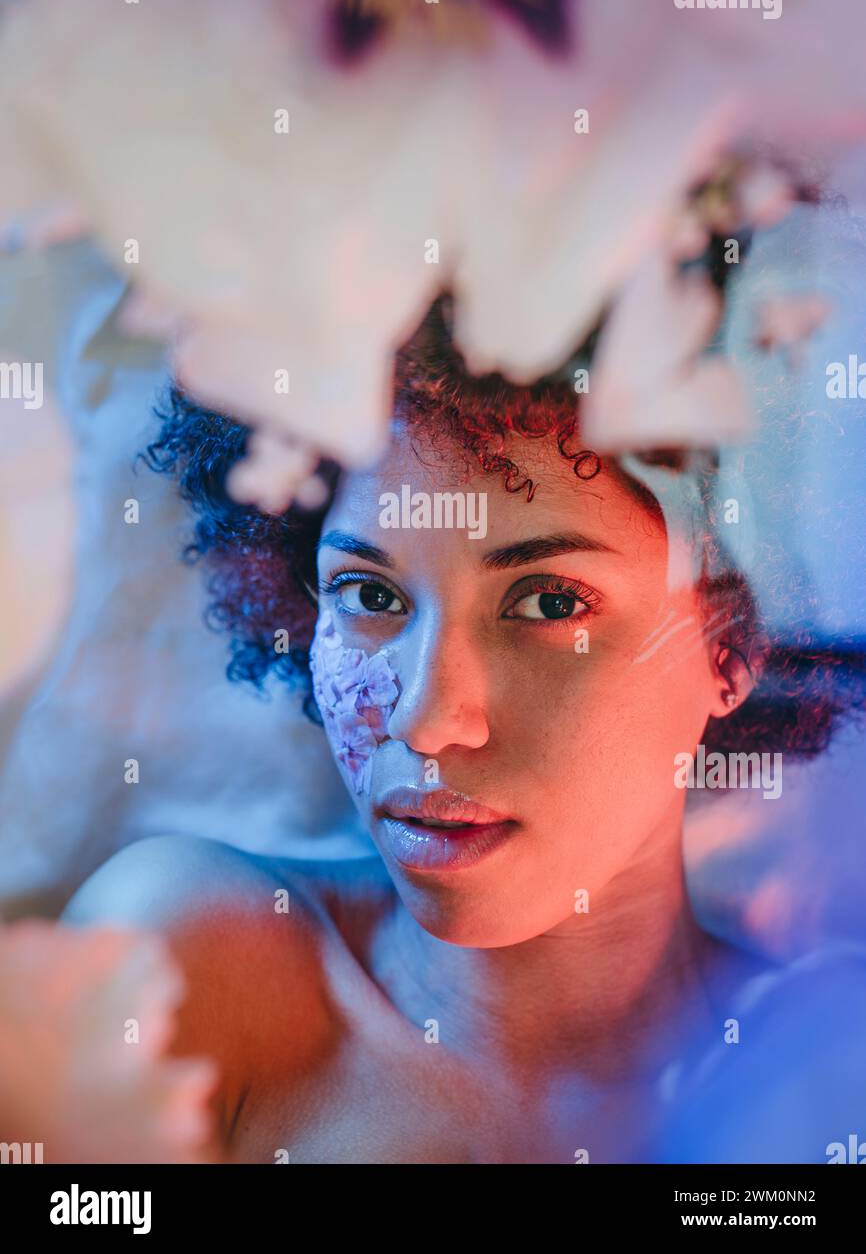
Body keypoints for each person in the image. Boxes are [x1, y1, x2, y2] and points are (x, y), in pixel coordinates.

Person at [62, 294, 866, 1163]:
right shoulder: (180, 974)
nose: (426, 719)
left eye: (551, 602)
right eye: (371, 597)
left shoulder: (829, 1081)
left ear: (734, 643)